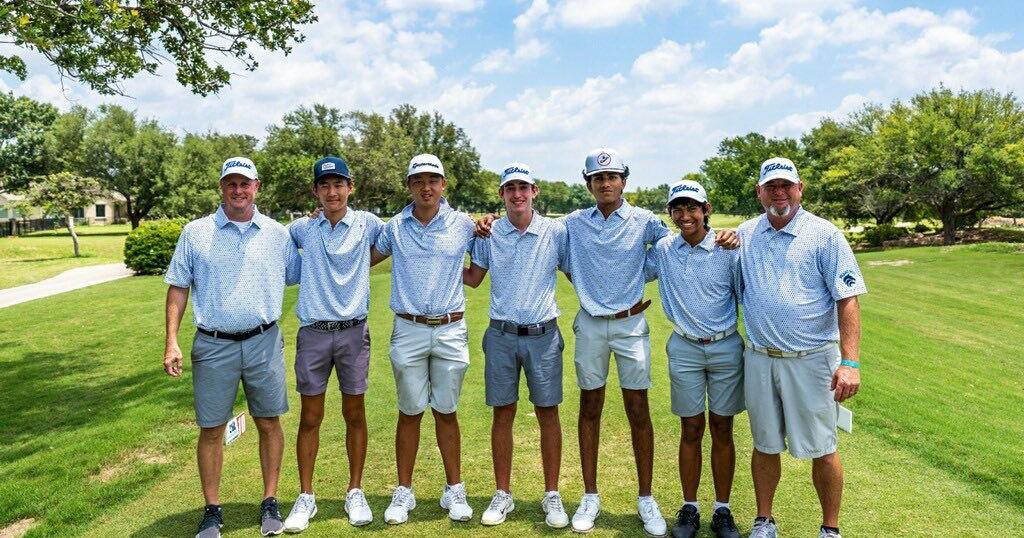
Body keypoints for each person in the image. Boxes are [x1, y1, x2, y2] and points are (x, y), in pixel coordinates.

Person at [477, 147, 738, 536]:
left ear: (623, 181)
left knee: (638, 408)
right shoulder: (572, 224)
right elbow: (554, 253)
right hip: (591, 324)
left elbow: (680, 242)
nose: (605, 183)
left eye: (612, 177)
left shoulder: (646, 221)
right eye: (597, 179)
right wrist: (486, 221)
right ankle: (590, 495)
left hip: (631, 324)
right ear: (589, 184)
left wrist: (724, 235)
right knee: (589, 407)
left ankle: (646, 497)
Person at [163, 157, 300, 538]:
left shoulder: (277, 233)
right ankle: (212, 510)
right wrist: (171, 341)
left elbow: (295, 274)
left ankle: (270, 502)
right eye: (231, 184)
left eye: (245, 184)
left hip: (264, 340)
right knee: (211, 428)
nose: (238, 191)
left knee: (269, 422)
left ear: (257, 186)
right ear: (221, 188)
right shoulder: (195, 233)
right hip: (212, 344)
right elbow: (178, 285)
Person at [738, 157, 866, 538]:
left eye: (786, 186)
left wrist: (850, 362)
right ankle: (764, 521)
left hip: (812, 359)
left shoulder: (825, 235)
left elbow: (848, 299)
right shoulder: (746, 233)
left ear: (800, 188)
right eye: (771, 187)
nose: (780, 193)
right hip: (760, 357)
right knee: (764, 443)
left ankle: (830, 529)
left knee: (823, 446)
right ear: (760, 192)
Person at [462, 163, 571, 528]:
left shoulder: (555, 232)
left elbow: (576, 271)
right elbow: (474, 278)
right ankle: (502, 493)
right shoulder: (489, 233)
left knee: (548, 413)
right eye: (510, 188)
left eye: (523, 187)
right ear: (502, 194)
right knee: (502, 413)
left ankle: (552, 494)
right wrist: (431, 259)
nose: (517, 194)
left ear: (534, 191)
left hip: (544, 335)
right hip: (502, 335)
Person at [370, 153, 477, 525]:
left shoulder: (464, 224)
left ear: (443, 184)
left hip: (450, 329)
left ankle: (454, 489)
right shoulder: (394, 226)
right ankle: (404, 491)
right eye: (418, 181)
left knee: (447, 411)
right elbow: (363, 258)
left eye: (433, 180)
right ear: (409, 186)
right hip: (409, 328)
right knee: (410, 411)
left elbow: (476, 274)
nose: (426, 187)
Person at [281, 156, 385, 531]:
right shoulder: (303, 229)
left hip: (353, 333)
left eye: (338, 184)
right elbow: (272, 237)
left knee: (354, 414)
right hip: (313, 334)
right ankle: (306, 495)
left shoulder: (369, 223)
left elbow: (394, 240)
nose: (332, 192)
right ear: (315, 191)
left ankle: (354, 490)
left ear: (350, 187)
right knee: (310, 417)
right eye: (324, 186)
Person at [644, 180, 742, 538]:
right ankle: (690, 508)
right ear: (670, 213)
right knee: (690, 428)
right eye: (678, 209)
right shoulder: (665, 249)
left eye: (692, 208)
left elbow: (748, 293)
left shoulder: (728, 248)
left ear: (706, 210)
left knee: (722, 427)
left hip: (725, 345)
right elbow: (624, 267)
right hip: (684, 346)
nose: (685, 216)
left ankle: (723, 509)